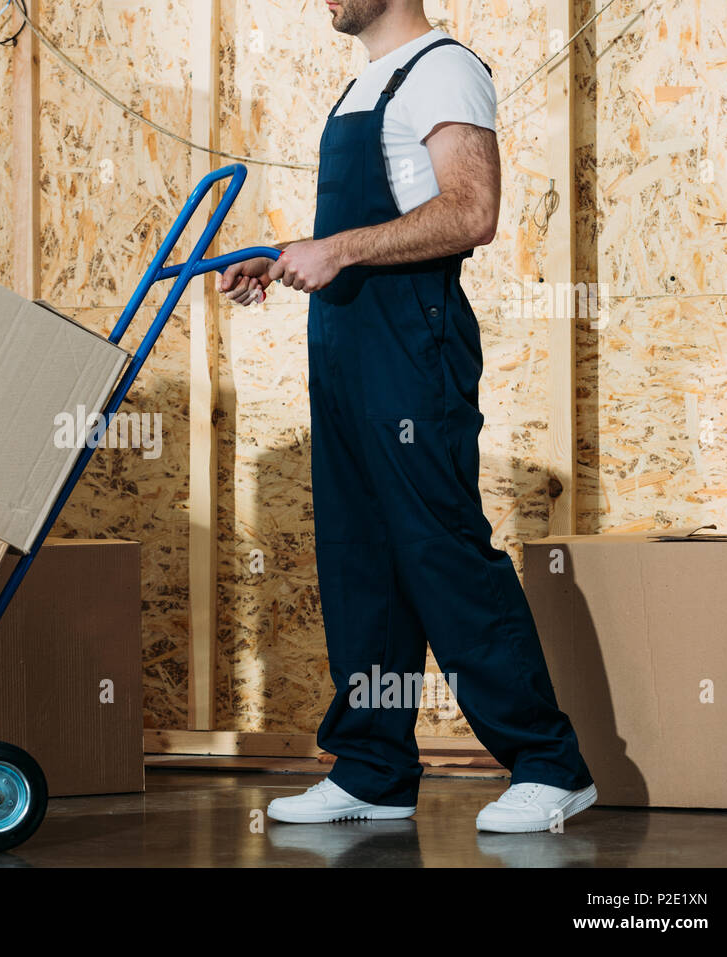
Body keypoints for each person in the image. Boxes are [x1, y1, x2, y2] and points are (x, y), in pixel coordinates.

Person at [219, 0, 597, 833]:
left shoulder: (444, 71)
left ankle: (549, 763)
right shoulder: (362, 87)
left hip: (410, 349)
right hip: (346, 352)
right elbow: (363, 228)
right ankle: (374, 767)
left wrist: (340, 248)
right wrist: (285, 256)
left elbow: (472, 212)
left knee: (439, 548)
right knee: (359, 556)